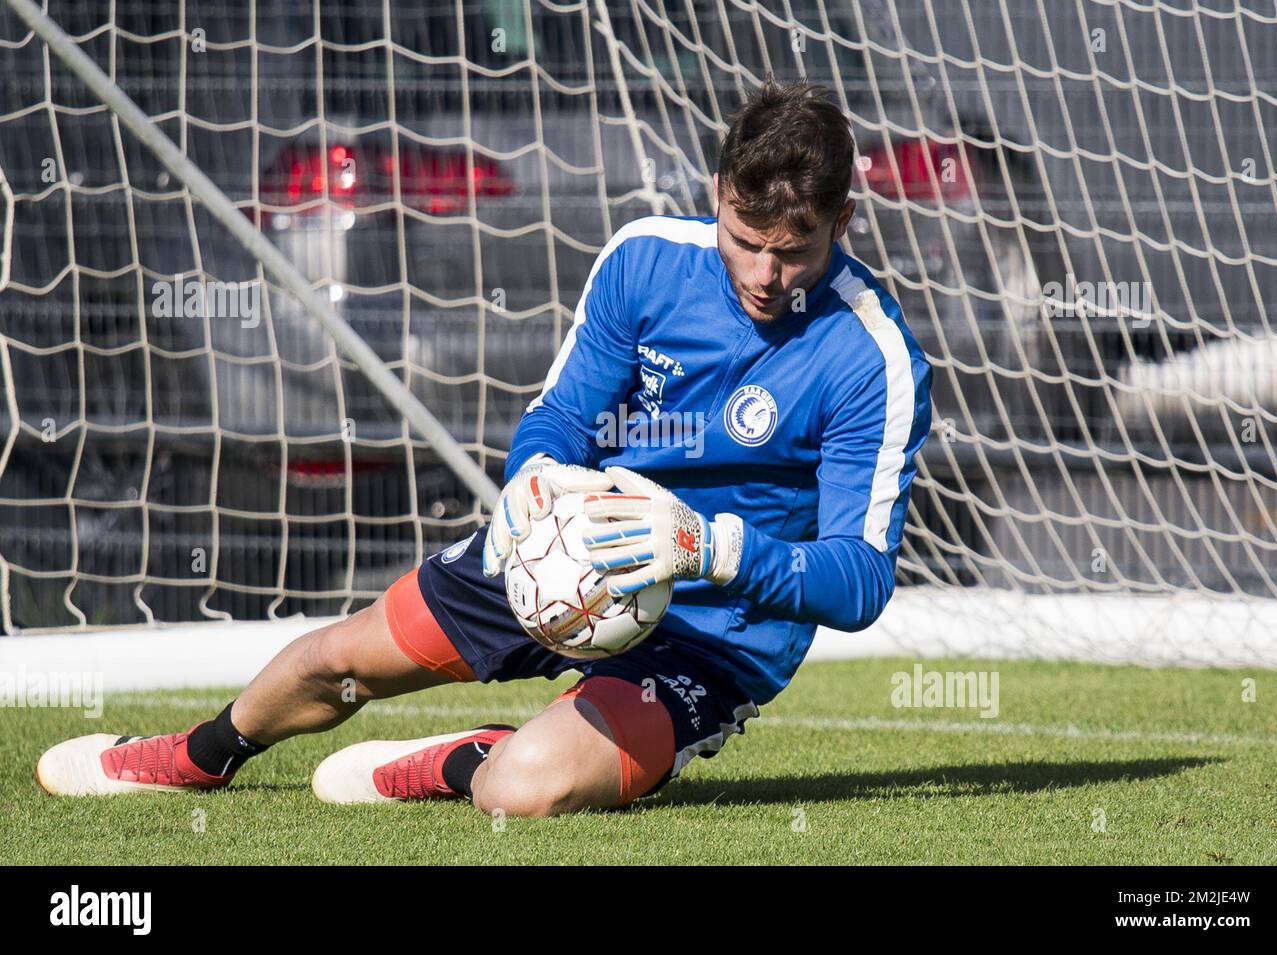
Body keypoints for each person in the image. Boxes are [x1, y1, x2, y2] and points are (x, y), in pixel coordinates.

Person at [37, 79, 932, 816]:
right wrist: (533, 482)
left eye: (794, 250)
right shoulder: (645, 262)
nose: (765, 275)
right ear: (716, 197)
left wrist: (711, 546)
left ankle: (469, 758)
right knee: (334, 664)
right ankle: (196, 755)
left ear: (843, 219)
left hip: (714, 633)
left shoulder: (874, 356)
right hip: (570, 550)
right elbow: (558, 417)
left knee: (525, 790)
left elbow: (858, 579)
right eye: (745, 241)